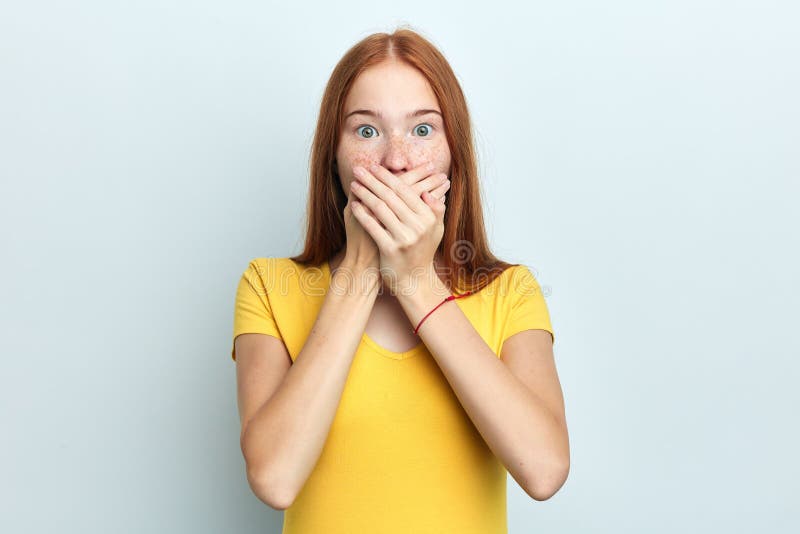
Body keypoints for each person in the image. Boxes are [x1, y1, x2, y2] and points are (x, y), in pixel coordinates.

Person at [231, 26, 569, 534]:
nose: (396, 160)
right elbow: (275, 479)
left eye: (423, 129)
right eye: (367, 131)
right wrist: (360, 270)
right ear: (334, 156)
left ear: (454, 153)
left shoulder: (511, 292)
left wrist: (416, 283)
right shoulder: (268, 285)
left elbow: (544, 472)